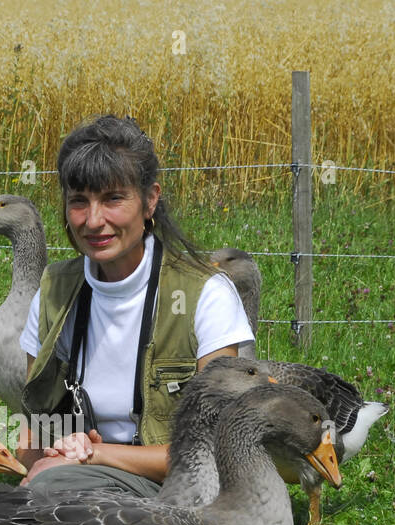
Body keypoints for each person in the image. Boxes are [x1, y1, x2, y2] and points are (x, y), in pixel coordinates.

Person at [18, 115, 254, 497]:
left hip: (179, 489)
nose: (94, 221)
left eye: (113, 198)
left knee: (47, 492)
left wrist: (94, 454)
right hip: (84, 475)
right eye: (79, 201)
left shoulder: (207, 295)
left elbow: (213, 452)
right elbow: (35, 433)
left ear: (150, 200)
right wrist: (57, 448)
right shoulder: (54, 293)